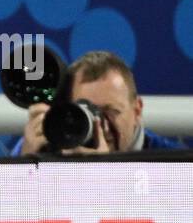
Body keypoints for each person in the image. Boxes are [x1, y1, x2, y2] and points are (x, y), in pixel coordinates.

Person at [13, 50, 185, 155]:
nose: (101, 126)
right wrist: (25, 167)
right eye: (85, 111)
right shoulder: (41, 147)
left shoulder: (175, 166)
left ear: (137, 111)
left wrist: (104, 173)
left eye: (111, 111)